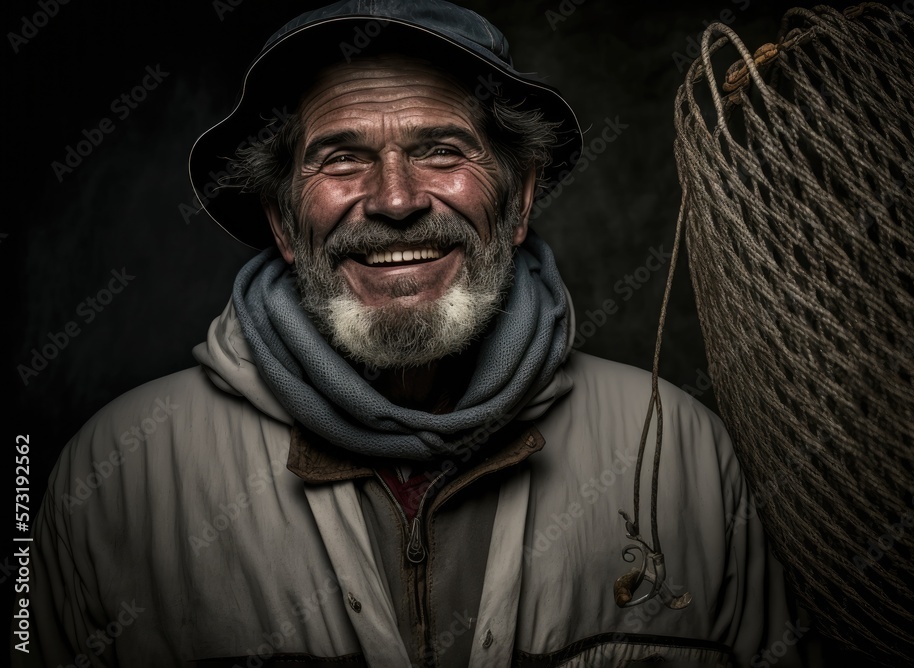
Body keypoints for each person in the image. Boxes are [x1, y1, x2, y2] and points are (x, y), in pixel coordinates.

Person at [17, 1, 800, 666]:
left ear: (519, 198)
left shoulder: (680, 454)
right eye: (341, 159)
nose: (395, 200)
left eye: (440, 150)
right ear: (284, 222)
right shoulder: (116, 476)